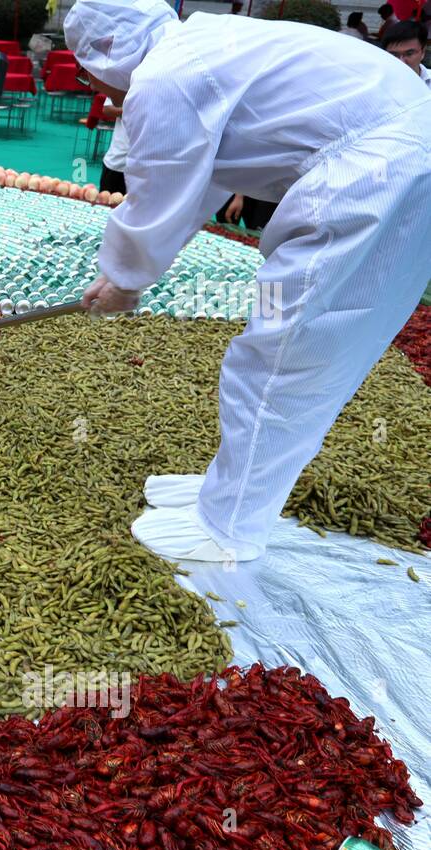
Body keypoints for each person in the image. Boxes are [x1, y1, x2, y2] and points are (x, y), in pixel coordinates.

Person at [65, 0, 431, 564]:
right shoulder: (201, 46)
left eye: (86, 67)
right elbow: (197, 179)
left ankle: (229, 524)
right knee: (283, 344)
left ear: (108, 51)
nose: (92, 83)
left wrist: (123, 279)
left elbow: (158, 188)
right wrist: (128, 273)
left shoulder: (164, 78)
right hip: (395, 159)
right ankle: (228, 492)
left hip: (379, 175)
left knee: (282, 353)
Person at [382, 19, 431, 90]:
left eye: (409, 54)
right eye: (394, 55)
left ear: (423, 52)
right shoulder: (373, 83)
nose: (401, 61)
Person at [98, 100, 127, 195]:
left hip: (144, 166)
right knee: (105, 204)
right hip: (117, 161)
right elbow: (107, 109)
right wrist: (131, 109)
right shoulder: (126, 85)